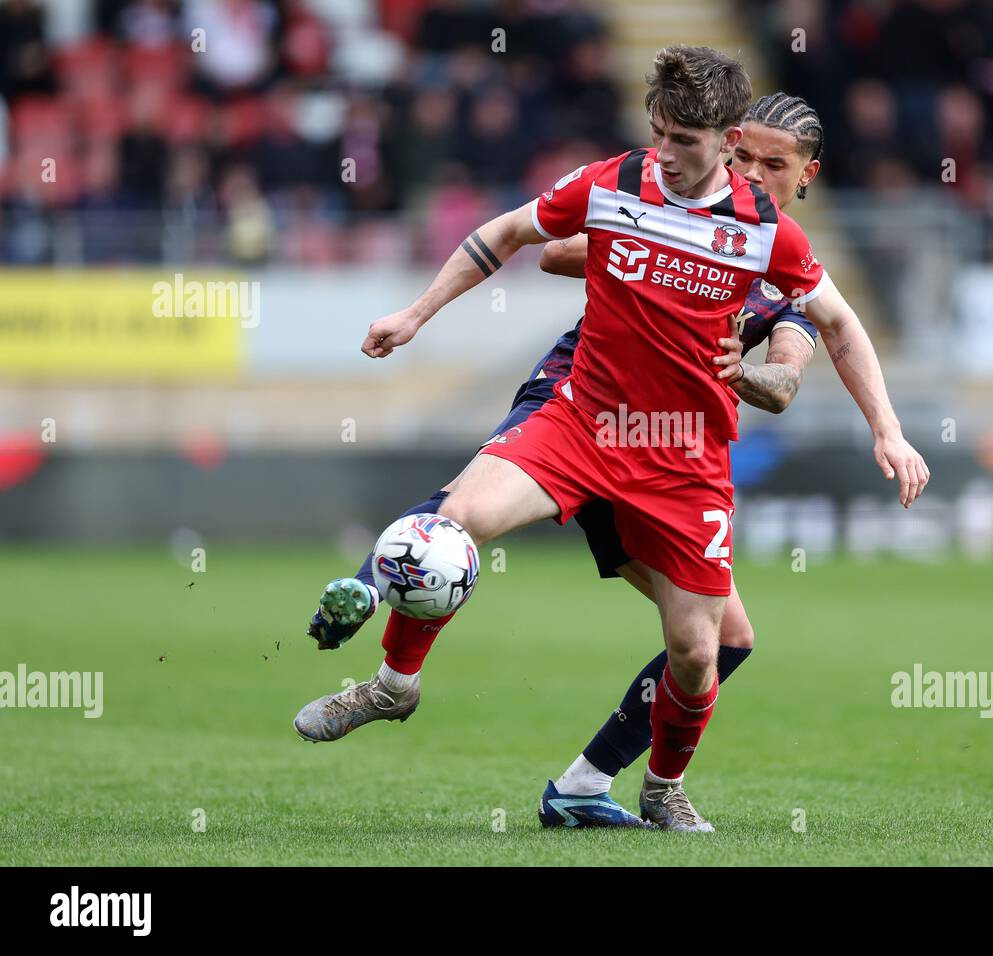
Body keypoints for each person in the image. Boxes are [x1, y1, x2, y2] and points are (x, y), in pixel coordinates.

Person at [296, 47, 929, 832]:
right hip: (584, 417)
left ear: (753, 152)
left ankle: (639, 787)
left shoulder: (770, 243)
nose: (664, 151)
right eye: (657, 132)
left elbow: (825, 339)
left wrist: (881, 430)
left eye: (684, 140)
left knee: (708, 649)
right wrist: (416, 314)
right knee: (451, 521)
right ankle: (393, 681)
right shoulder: (614, 182)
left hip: (682, 456)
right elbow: (520, 235)